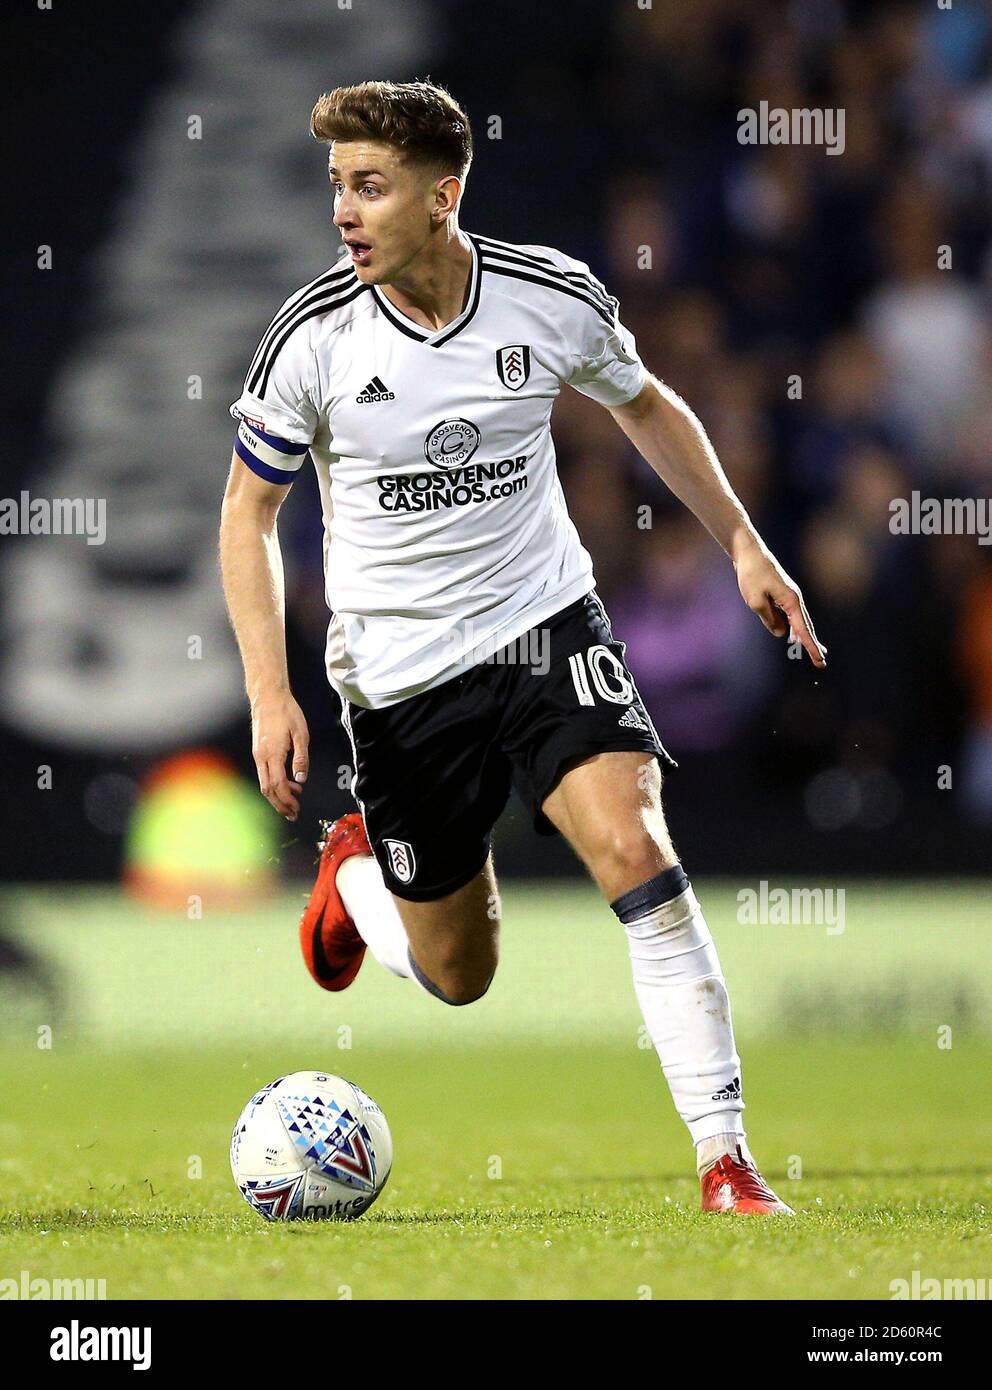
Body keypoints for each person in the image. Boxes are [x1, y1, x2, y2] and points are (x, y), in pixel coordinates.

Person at [219, 80, 826, 1215]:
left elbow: (646, 404)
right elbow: (245, 516)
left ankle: (724, 1158)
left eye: (369, 186)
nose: (343, 212)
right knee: (459, 974)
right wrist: (269, 690)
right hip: (400, 681)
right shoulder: (312, 339)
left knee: (634, 848)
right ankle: (353, 875)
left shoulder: (547, 297)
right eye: (337, 187)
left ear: (442, 194)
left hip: (544, 624)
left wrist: (743, 543)